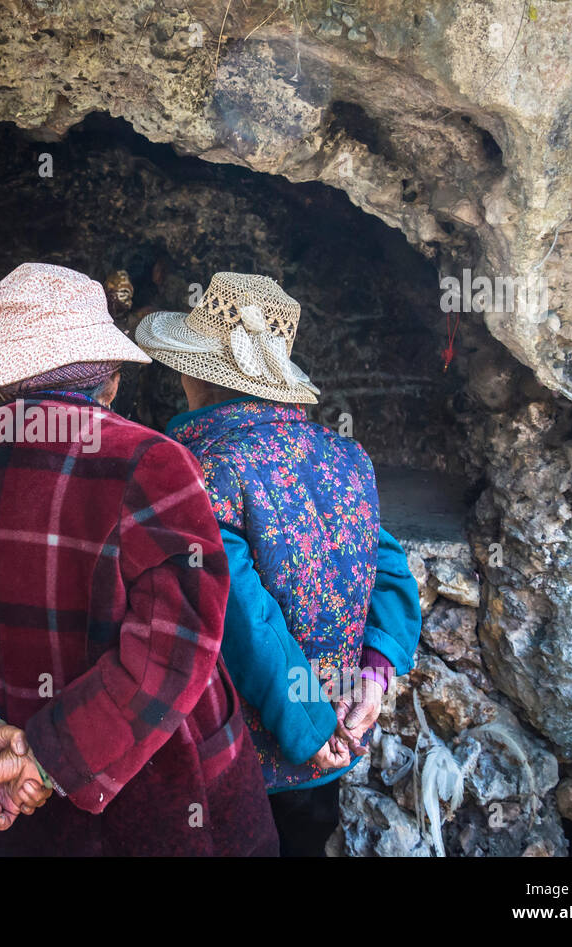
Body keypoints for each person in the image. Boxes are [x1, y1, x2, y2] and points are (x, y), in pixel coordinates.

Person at [0, 262, 278, 856]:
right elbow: (178, 645)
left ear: (5, 384)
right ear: (109, 381)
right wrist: (46, 758)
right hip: (141, 795)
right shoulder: (154, 466)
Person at [136, 272, 421, 856]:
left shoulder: (196, 469)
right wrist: (373, 675)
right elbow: (388, 566)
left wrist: (305, 726)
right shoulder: (346, 455)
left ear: (192, 373)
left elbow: (238, 608)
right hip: (335, 738)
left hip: (242, 749)